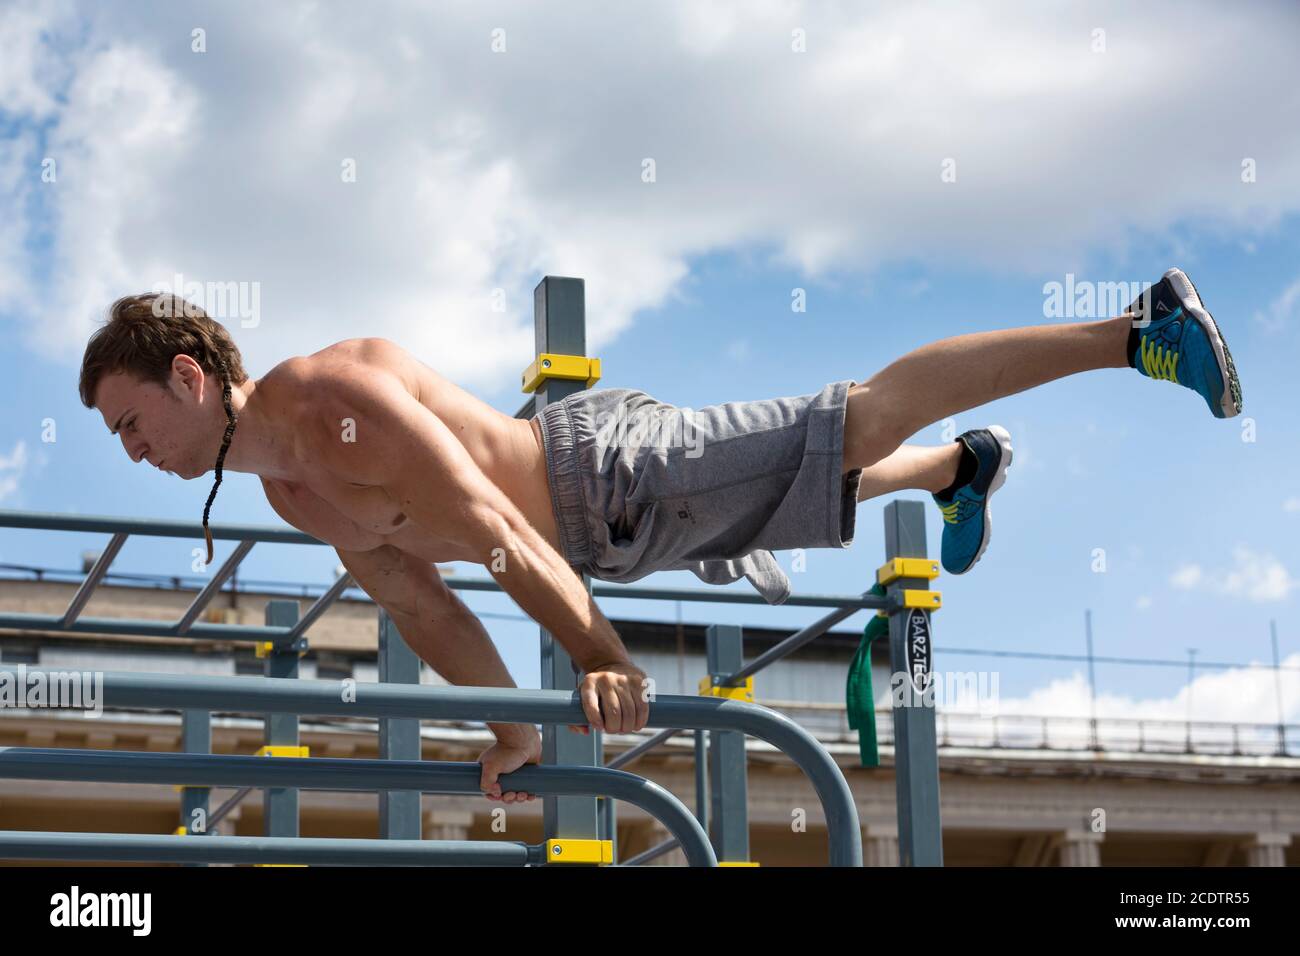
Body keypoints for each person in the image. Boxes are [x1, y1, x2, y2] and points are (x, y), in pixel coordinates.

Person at [77, 267, 1242, 802]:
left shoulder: (332, 398)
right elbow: (424, 602)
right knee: (821, 481)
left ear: (189, 376)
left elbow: (485, 529)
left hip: (605, 472)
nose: (135, 452)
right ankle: (959, 467)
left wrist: (600, 656)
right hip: (599, 537)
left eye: (133, 423)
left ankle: (1133, 329)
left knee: (849, 421)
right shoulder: (291, 492)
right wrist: (511, 728)